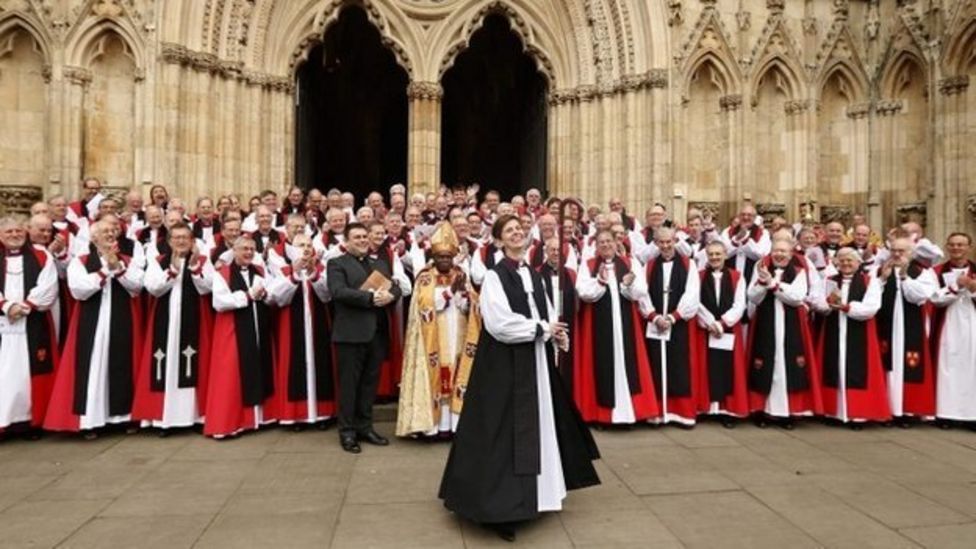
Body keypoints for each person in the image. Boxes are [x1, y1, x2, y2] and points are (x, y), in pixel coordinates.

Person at [439, 215, 599, 542]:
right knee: (504, 430)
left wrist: (555, 333)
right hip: (503, 365)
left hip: (535, 361)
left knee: (537, 425)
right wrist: (540, 328)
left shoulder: (535, 274)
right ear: (498, 241)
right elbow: (499, 323)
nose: (516, 233)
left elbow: (546, 312)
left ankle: (538, 494)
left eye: (519, 229)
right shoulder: (495, 277)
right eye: (509, 230)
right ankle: (499, 508)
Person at [45, 220, 145, 437]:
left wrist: (118, 268)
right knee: (92, 366)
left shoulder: (128, 260)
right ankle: (91, 420)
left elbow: (137, 287)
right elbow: (78, 290)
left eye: (113, 231)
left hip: (121, 320)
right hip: (91, 322)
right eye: (104, 231)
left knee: (122, 364)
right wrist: (105, 271)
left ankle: (122, 417)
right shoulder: (80, 261)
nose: (110, 234)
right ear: (93, 237)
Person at [396, 222, 480, 438]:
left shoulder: (461, 273)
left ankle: (455, 426)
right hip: (433, 335)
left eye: (448, 257)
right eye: (440, 257)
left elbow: (469, 307)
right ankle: (434, 426)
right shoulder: (426, 277)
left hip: (458, 333)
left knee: (457, 375)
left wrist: (465, 296)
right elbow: (426, 306)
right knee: (438, 376)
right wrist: (450, 292)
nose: (444, 260)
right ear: (433, 256)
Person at [327, 222, 402, 453]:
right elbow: (338, 292)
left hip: (376, 334)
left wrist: (390, 296)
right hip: (350, 334)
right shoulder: (336, 264)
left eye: (363, 237)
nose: (361, 240)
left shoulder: (378, 263)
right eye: (356, 237)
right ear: (346, 242)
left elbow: (395, 287)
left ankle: (365, 426)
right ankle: (347, 432)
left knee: (370, 384)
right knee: (349, 386)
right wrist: (370, 299)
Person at [131, 223, 213, 434]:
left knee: (194, 364)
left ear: (192, 241)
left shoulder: (203, 260)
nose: (181, 241)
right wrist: (172, 270)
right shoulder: (159, 261)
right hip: (165, 322)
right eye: (176, 237)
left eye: (185, 237)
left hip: (194, 320)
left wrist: (195, 269)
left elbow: (208, 288)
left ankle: (194, 417)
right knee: (164, 365)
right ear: (169, 241)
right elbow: (153, 288)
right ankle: (164, 420)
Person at [574, 229, 658, 425]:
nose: (605, 245)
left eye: (608, 241)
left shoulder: (630, 263)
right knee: (601, 365)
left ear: (616, 242)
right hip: (598, 324)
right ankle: (602, 415)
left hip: (626, 324)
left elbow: (640, 292)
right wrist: (600, 281)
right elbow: (583, 292)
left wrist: (628, 285)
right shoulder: (588, 265)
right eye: (601, 242)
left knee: (629, 363)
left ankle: (629, 414)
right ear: (596, 246)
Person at [746, 237, 823, 428]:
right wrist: (762, 283)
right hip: (766, 323)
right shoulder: (761, 267)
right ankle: (763, 411)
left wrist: (773, 284)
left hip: (791, 325)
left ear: (791, 254)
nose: (779, 254)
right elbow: (753, 297)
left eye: (783, 251)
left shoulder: (798, 271)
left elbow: (797, 297)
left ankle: (788, 413)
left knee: (788, 365)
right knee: (765, 364)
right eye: (776, 250)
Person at [204, 236, 276, 438]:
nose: (248, 252)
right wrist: (247, 295)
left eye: (252, 249)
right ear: (234, 251)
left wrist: (266, 295)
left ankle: (260, 419)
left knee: (259, 367)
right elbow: (219, 302)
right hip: (233, 330)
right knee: (232, 375)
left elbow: (272, 294)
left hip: (258, 327)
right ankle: (232, 422)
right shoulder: (223, 273)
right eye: (244, 249)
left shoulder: (260, 271)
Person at [814, 248, 891, 427]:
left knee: (857, 370)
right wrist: (827, 305)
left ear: (858, 263)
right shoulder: (828, 280)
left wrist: (847, 307)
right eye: (842, 260)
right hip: (833, 329)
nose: (846, 264)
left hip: (859, 331)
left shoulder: (869, 281)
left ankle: (858, 414)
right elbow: (816, 301)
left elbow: (872, 307)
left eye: (850, 260)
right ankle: (834, 412)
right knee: (834, 368)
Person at [267, 233, 336, 428]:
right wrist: (294, 276)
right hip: (292, 325)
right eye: (300, 245)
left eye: (308, 245)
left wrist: (314, 275)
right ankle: (296, 415)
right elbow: (276, 297)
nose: (305, 249)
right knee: (294, 365)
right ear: (291, 249)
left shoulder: (321, 268)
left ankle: (323, 414)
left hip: (318, 324)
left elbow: (327, 295)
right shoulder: (283, 270)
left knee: (320, 364)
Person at [0, 217, 59, 437]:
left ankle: (30, 423)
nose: (14, 235)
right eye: (9, 232)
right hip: (3, 322)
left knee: (29, 373)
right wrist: (6, 306)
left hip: (32, 321)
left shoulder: (41, 255)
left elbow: (48, 285)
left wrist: (25, 306)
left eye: (18, 231)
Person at [873, 233, 938, 423]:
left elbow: (920, 296)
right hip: (885, 324)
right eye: (893, 250)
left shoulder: (921, 272)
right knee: (887, 364)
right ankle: (887, 410)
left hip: (910, 326)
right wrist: (882, 279)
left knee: (910, 365)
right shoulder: (879, 270)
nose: (896, 254)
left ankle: (908, 411)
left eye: (901, 251)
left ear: (911, 252)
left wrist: (904, 277)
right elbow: (870, 295)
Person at [639, 227, 701, 427]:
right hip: (656, 324)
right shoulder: (649, 266)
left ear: (675, 241)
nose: (665, 246)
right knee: (655, 366)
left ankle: (681, 413)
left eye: (669, 242)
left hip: (679, 324)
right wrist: (654, 316)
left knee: (679, 366)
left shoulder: (688, 264)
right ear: (656, 243)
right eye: (661, 242)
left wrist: (674, 317)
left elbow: (692, 294)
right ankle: (657, 413)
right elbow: (642, 294)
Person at [695, 241, 749, 426]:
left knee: (730, 370)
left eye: (718, 254)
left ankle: (728, 410)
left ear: (725, 255)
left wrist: (723, 323)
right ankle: (706, 408)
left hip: (728, 329)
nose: (715, 257)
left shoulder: (737, 276)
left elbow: (740, 304)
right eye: (711, 254)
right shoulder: (699, 276)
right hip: (706, 329)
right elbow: (696, 302)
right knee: (705, 368)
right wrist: (710, 322)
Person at [930, 232, 976, 427]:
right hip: (948, 323)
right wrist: (955, 287)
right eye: (953, 245)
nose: (956, 248)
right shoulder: (936, 271)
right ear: (947, 247)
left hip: (972, 323)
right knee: (947, 366)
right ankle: (945, 413)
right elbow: (934, 298)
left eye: (961, 244)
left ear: (969, 247)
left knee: (972, 367)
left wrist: (973, 288)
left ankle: (971, 415)